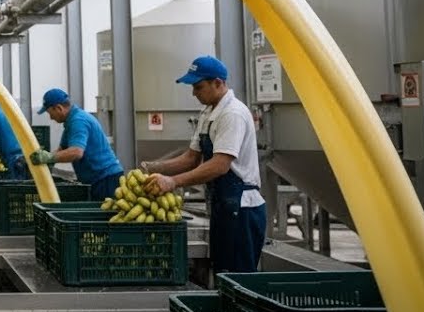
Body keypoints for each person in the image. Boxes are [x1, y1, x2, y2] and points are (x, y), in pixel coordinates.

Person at [142, 56, 266, 274]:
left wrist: (172, 182)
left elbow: (220, 165)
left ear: (218, 83)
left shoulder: (232, 114)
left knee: (238, 278)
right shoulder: (208, 113)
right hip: (223, 206)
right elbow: (191, 158)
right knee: (222, 272)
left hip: (242, 209)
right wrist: (151, 168)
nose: (194, 93)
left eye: (198, 87)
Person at [28, 88, 124, 200]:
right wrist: (44, 162)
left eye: (50, 113)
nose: (51, 118)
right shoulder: (70, 122)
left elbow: (76, 152)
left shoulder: (78, 121)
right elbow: (62, 149)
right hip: (97, 179)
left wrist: (49, 157)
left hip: (106, 179)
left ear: (59, 108)